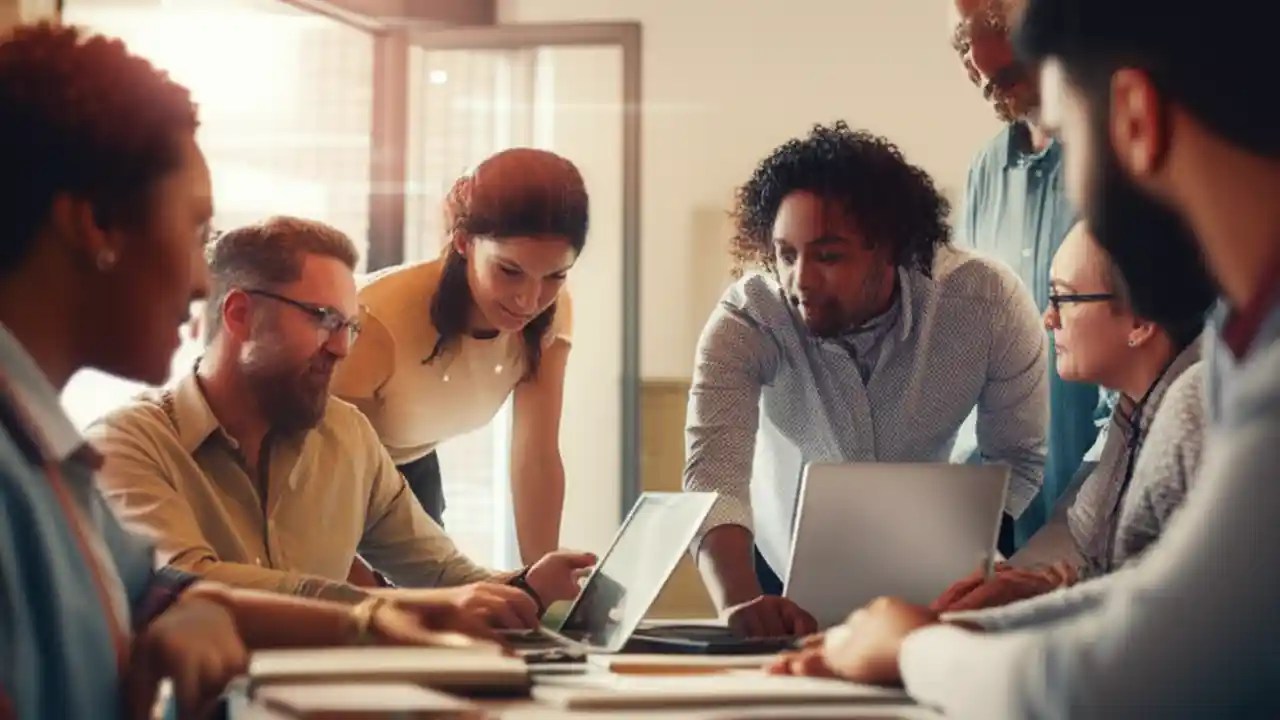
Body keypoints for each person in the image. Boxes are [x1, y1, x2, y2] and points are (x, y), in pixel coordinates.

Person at [771, 2, 1280, 715]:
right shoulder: (1242, 351)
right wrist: (954, 629)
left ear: (1135, 118)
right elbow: (1154, 596)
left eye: (1068, 133)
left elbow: (1119, 680)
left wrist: (915, 651)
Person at [0, 24, 496, 720]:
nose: (202, 283)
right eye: (196, 229)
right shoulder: (51, 459)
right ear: (97, 225)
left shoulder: (48, 458)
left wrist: (368, 625)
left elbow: (166, 590)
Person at [90, 216, 594, 629]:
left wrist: (528, 587)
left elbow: (444, 576)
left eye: (349, 325)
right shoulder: (127, 445)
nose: (342, 348)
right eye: (323, 319)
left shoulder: (347, 436)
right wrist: (380, 609)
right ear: (240, 315)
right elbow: (188, 587)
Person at [684, 121, 1048, 638]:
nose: (801, 280)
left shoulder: (985, 305)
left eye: (829, 255)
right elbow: (713, 477)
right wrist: (736, 605)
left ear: (890, 248)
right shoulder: (750, 316)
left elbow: (1017, 457)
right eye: (787, 254)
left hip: (938, 572)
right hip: (770, 571)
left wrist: (968, 561)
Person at [931, 221, 1213, 612]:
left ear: (1140, 321)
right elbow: (1085, 546)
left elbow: (1174, 615)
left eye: (1062, 298)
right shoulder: (1129, 410)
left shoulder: (1197, 421)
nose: (1048, 319)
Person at [332, 148, 586, 563]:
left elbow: (536, 457)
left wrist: (542, 585)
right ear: (464, 241)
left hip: (414, 469)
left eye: (555, 276)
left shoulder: (551, 313)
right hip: (323, 478)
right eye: (509, 271)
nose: (530, 299)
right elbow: (329, 476)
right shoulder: (376, 321)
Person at [951, 0, 1101, 550]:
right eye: (958, 48)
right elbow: (968, 346)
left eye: (975, 37)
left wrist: (1073, 522)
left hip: (1107, 499)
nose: (970, 64)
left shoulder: (1113, 151)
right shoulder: (984, 170)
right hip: (1004, 519)